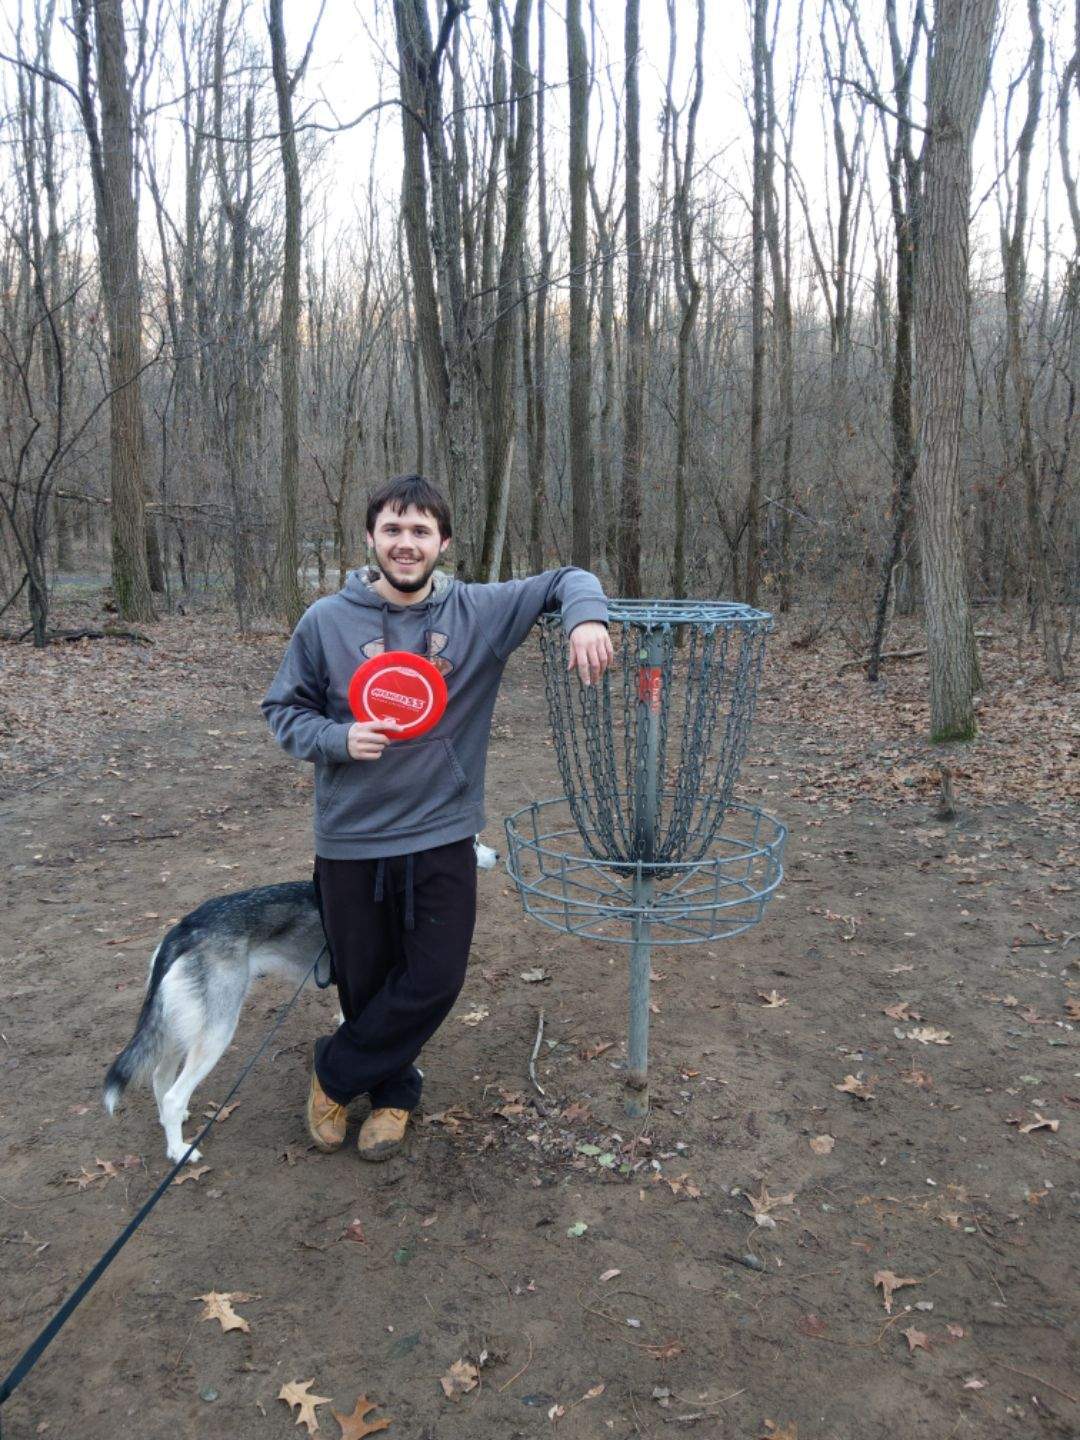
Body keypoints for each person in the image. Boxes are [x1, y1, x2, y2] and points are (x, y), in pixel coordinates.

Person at [261, 474, 612, 1161]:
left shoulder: (479, 612)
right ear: (370, 538)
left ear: (443, 543)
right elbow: (282, 711)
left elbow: (566, 578)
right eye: (392, 529)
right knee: (366, 981)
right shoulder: (326, 622)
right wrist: (336, 739)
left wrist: (587, 616)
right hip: (352, 837)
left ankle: (334, 1071)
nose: (405, 543)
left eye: (421, 531)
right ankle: (392, 1096)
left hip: (442, 832)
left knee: (434, 978)